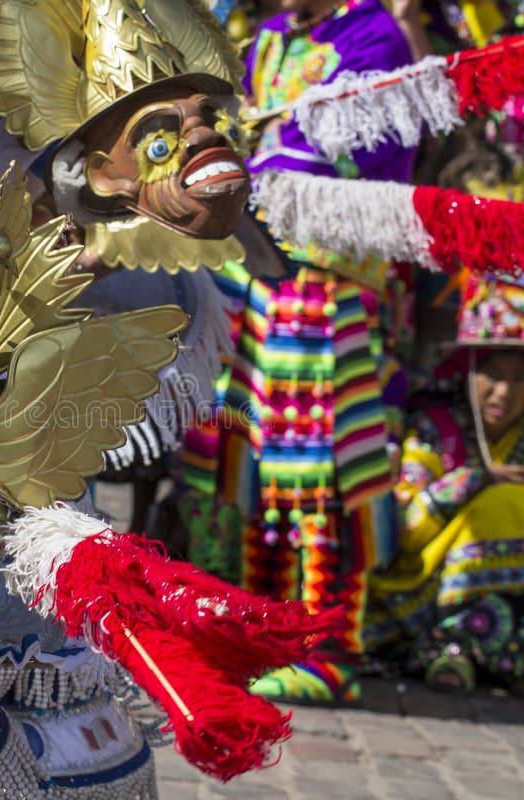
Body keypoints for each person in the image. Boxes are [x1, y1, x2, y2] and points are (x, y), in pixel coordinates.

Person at [181, 0, 423, 704]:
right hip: (250, 274)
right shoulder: (271, 40)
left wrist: (254, 159)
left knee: (317, 468)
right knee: (243, 456)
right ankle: (263, 630)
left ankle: (328, 645)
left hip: (325, 280)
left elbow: (361, 148)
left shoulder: (372, 36)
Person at [366, 276, 524, 693]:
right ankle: (458, 645)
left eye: (520, 378)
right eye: (493, 374)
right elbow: (405, 526)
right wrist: (477, 480)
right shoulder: (434, 430)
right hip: (428, 589)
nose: (504, 392)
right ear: (468, 371)